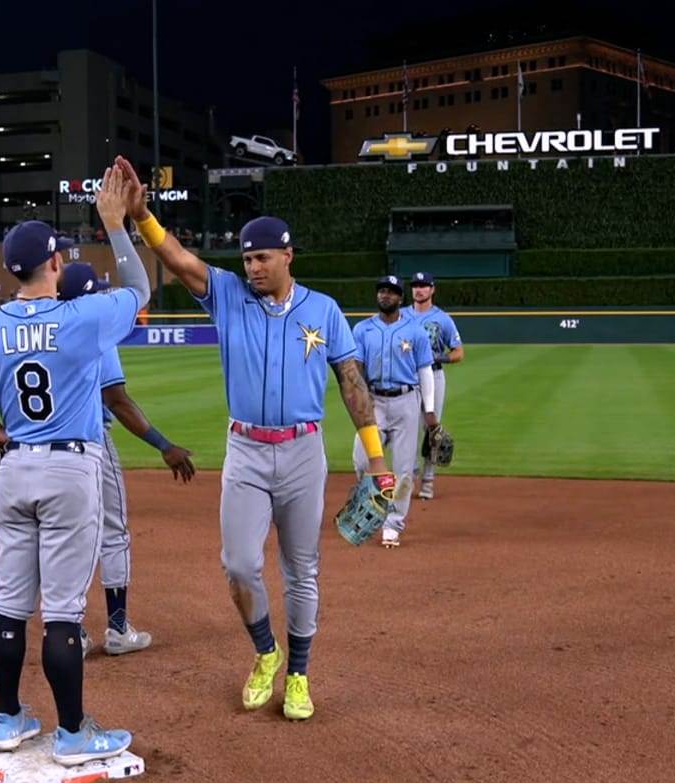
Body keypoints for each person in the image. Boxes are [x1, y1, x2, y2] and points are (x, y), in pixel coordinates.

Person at [114, 155, 395, 722]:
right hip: (244, 450)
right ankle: (265, 653)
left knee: (302, 570)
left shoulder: (325, 310)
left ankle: (298, 674)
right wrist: (143, 218)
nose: (253, 267)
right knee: (240, 565)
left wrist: (378, 460)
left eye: (262, 257)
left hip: (302, 452)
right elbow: (178, 259)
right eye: (246, 258)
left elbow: (352, 385)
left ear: (287, 255)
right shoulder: (227, 294)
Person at [0, 163, 150, 766]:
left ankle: (7, 718)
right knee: (64, 615)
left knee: (10, 604)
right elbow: (141, 289)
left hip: (16, 466)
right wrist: (115, 224)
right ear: (55, 265)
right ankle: (73, 734)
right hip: (71, 470)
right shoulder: (81, 318)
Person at [58, 261, 197, 659]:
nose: (105, 297)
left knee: (62, 537)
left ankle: (72, 633)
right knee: (112, 532)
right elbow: (116, 401)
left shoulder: (41, 331)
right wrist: (163, 445)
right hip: (90, 443)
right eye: (98, 291)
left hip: (43, 447)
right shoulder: (97, 333)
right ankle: (118, 628)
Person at [351, 275, 438, 548]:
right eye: (381, 291)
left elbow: (425, 371)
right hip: (374, 401)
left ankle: (393, 524)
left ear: (401, 298)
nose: (385, 295)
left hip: (406, 403)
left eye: (391, 292)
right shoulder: (363, 329)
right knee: (362, 459)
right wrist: (362, 400)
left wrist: (430, 411)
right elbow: (356, 368)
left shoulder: (415, 331)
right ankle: (373, 506)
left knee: (403, 470)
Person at [402, 272, 464, 500]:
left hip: (434, 378)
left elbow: (458, 353)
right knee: (406, 429)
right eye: (416, 286)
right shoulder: (401, 316)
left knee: (431, 429)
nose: (419, 290)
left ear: (432, 289)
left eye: (424, 286)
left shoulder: (443, 319)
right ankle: (409, 475)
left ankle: (427, 482)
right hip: (407, 378)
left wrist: (438, 358)